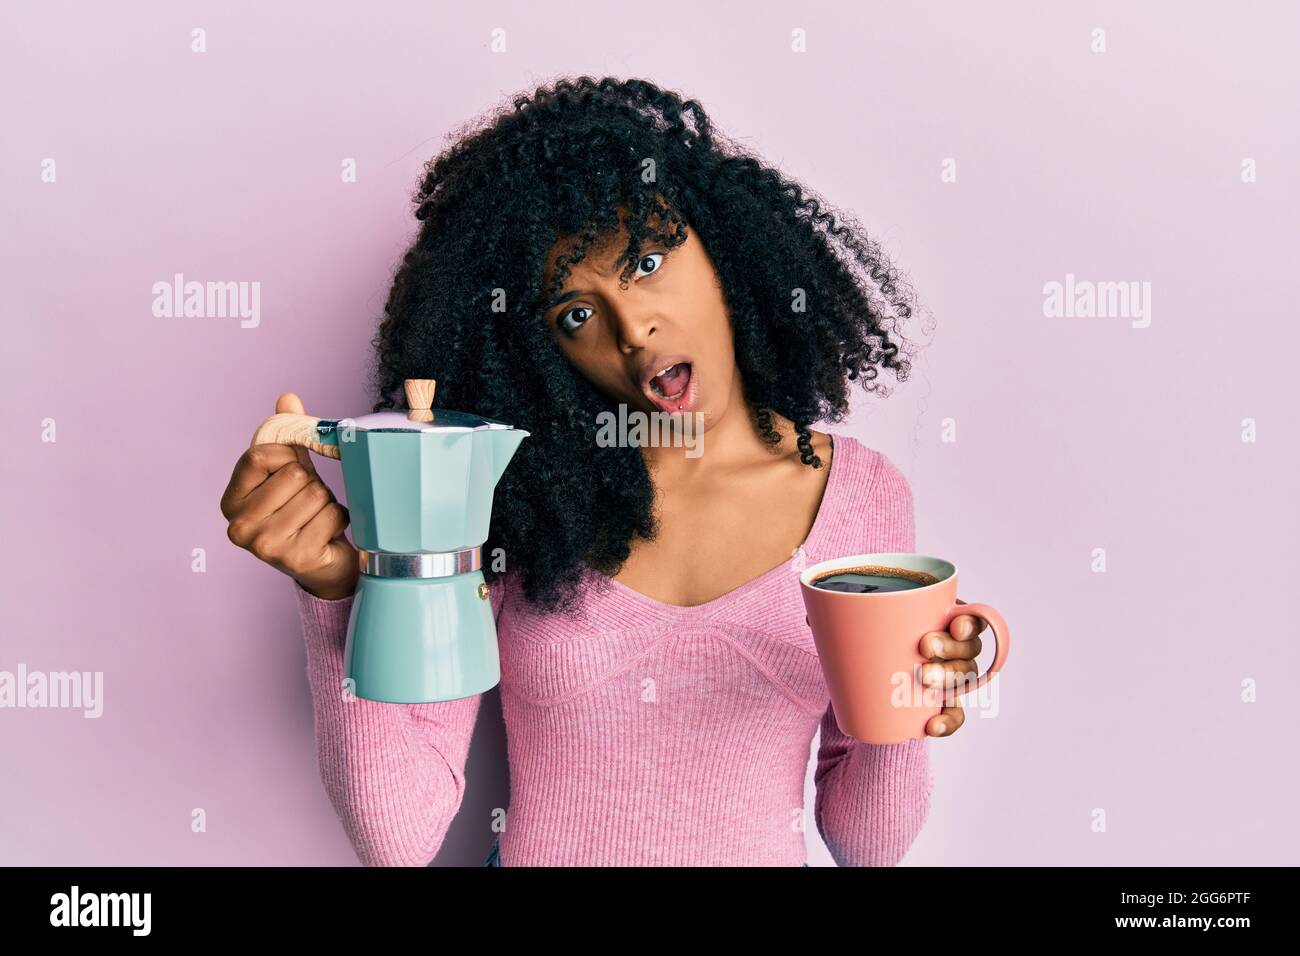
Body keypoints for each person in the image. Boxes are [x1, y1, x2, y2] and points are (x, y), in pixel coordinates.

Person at [220, 76, 987, 867]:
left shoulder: (860, 498)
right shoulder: (508, 497)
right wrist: (338, 596)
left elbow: (869, 845)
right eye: (575, 315)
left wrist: (913, 704)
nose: (633, 325)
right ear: (543, 354)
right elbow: (398, 837)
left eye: (648, 259)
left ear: (723, 250)